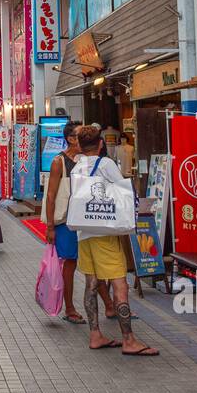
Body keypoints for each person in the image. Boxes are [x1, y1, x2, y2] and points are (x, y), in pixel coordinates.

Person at [70, 125, 157, 357]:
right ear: (101, 144)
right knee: (120, 285)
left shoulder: (77, 166)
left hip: (84, 233)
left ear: (79, 145)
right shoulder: (105, 164)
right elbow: (123, 192)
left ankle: (95, 334)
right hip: (105, 234)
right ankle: (129, 339)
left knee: (91, 283)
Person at [44, 121, 109, 324]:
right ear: (71, 139)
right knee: (70, 263)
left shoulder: (87, 159)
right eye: (79, 135)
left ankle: (109, 305)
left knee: (95, 262)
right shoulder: (59, 162)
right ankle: (69, 308)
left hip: (87, 218)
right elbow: (51, 195)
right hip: (66, 221)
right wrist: (50, 227)